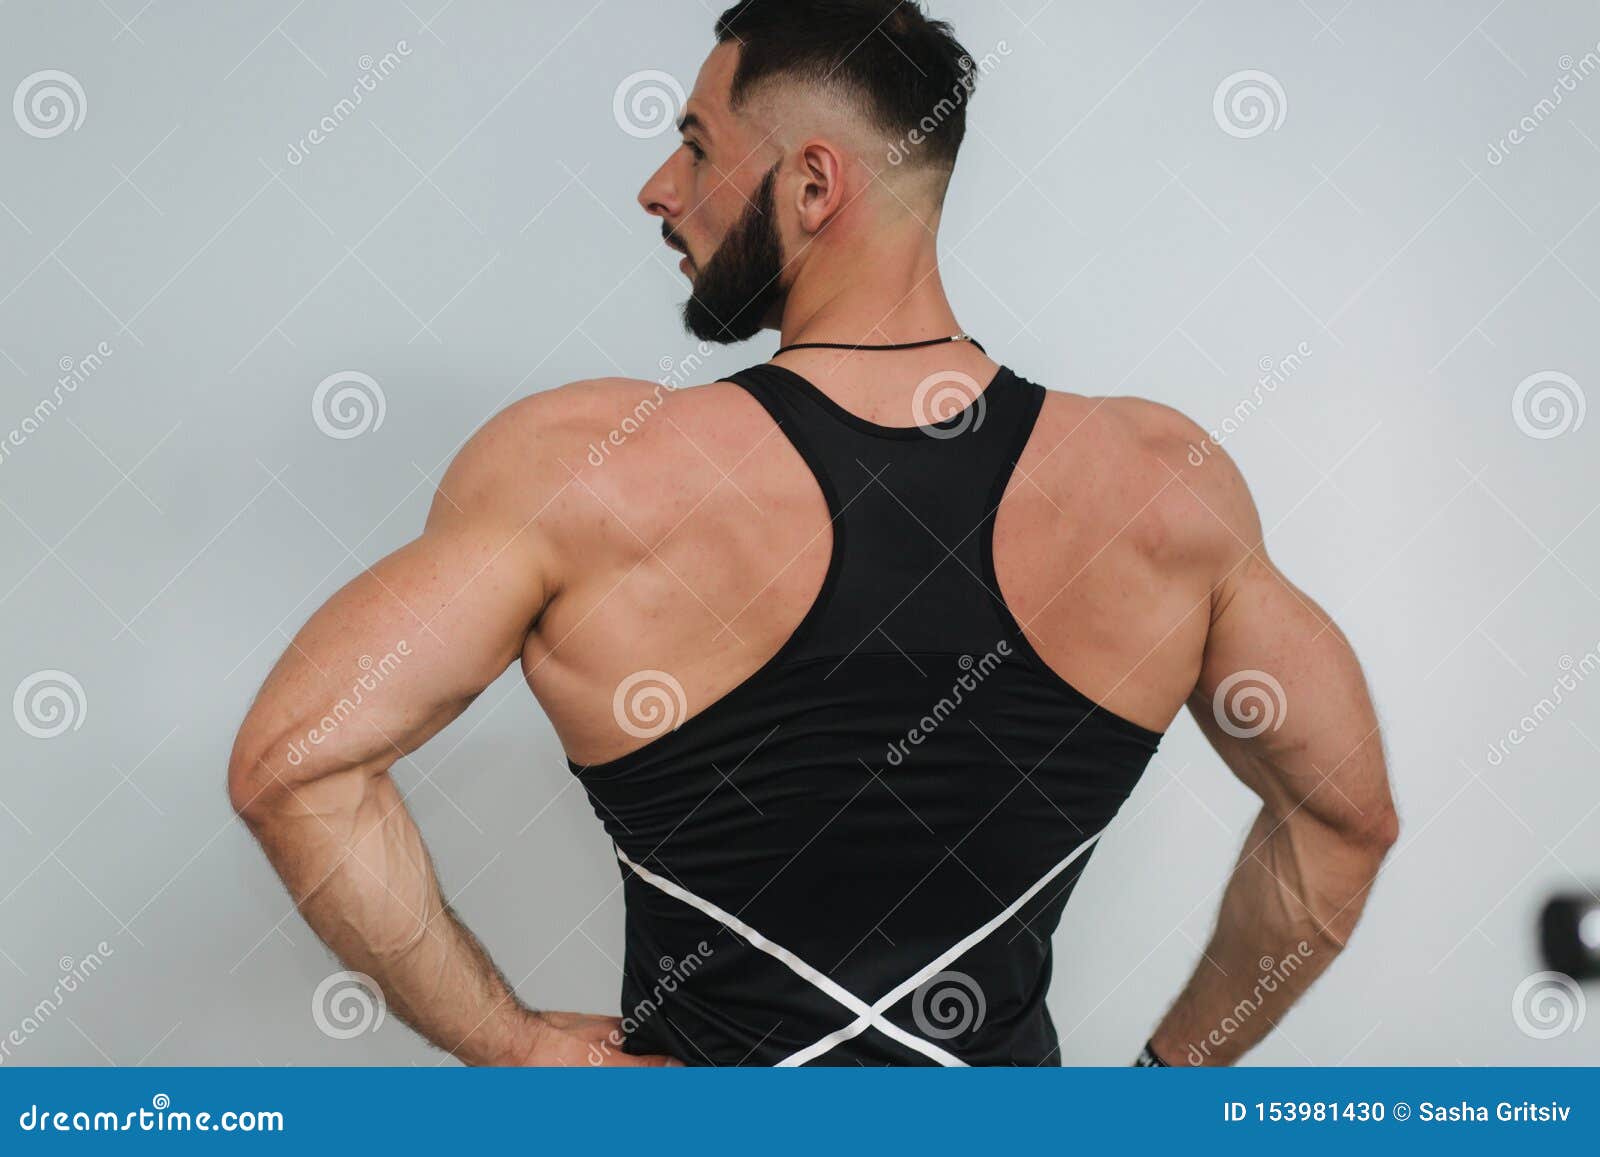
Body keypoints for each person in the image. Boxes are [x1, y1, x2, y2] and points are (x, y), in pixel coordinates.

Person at [228, 0, 1398, 1067]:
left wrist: (515, 1046)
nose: (658, 189)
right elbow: (1345, 816)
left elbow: (294, 764)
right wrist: (1168, 1088)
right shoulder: (1158, 484)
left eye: (695, 147)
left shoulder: (584, 467)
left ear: (813, 184)